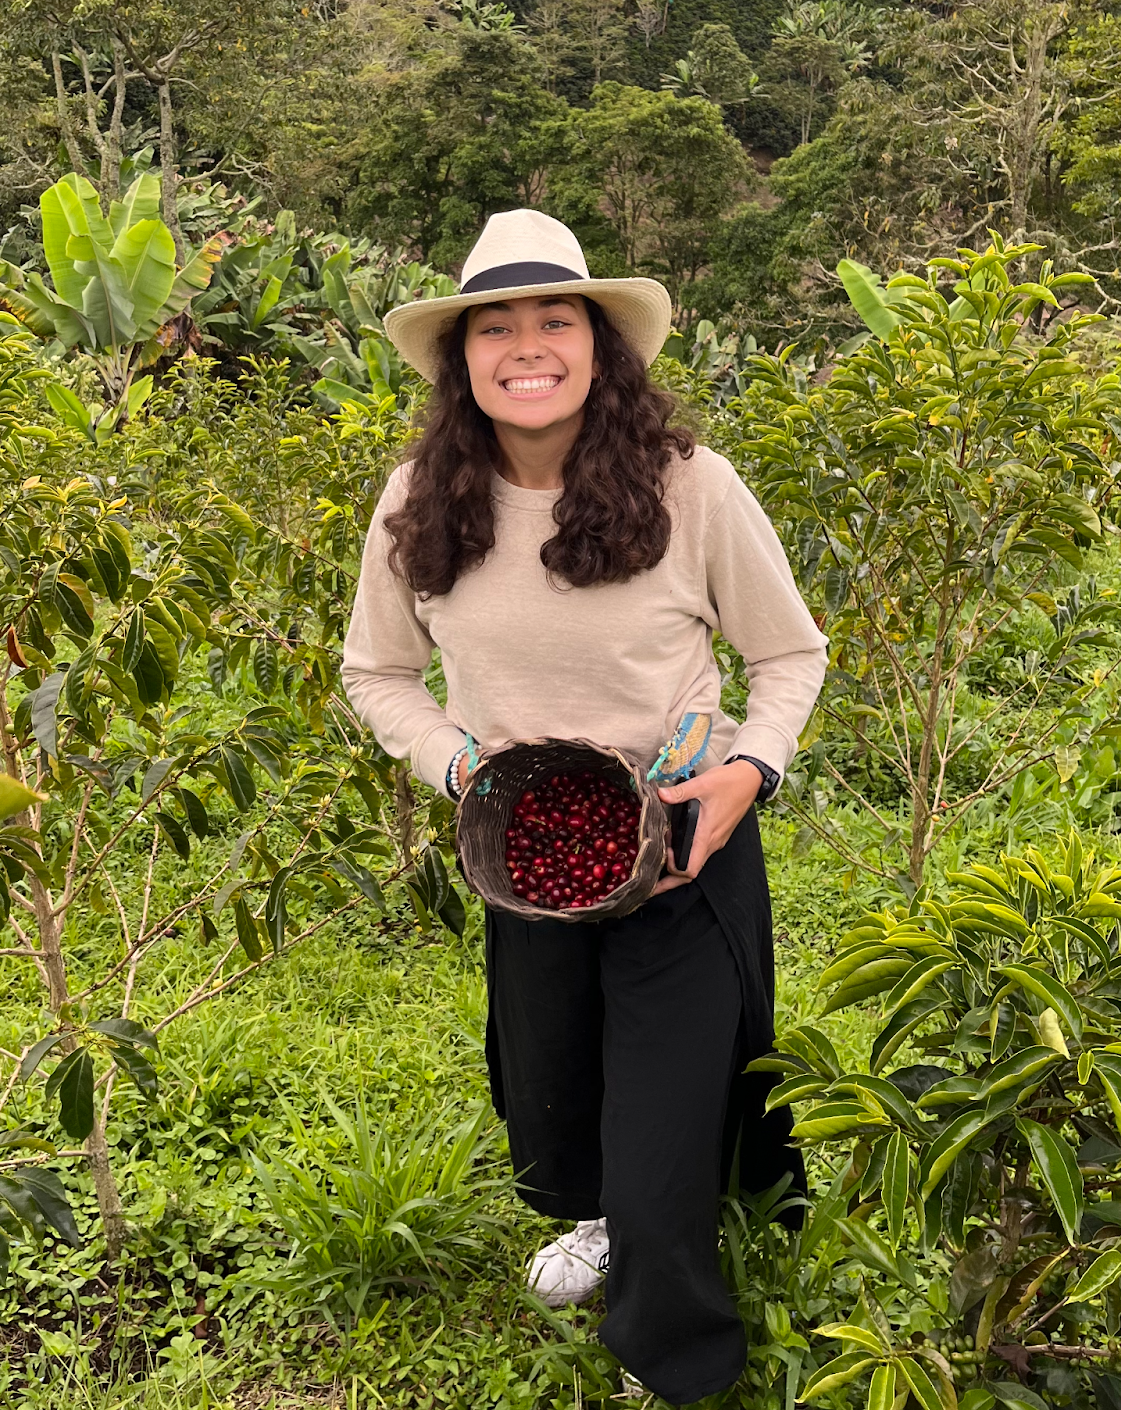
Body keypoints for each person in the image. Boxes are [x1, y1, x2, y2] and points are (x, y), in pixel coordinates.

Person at [340, 209, 828, 1405]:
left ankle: (677, 1359)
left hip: (680, 836)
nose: (527, 346)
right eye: (494, 326)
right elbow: (376, 672)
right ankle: (609, 1216)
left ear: (600, 347)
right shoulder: (419, 498)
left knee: (667, 1107)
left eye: (555, 319)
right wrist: (460, 769)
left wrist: (744, 772)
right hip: (531, 846)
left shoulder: (689, 485)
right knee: (554, 1076)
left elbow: (789, 654)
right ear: (460, 358)